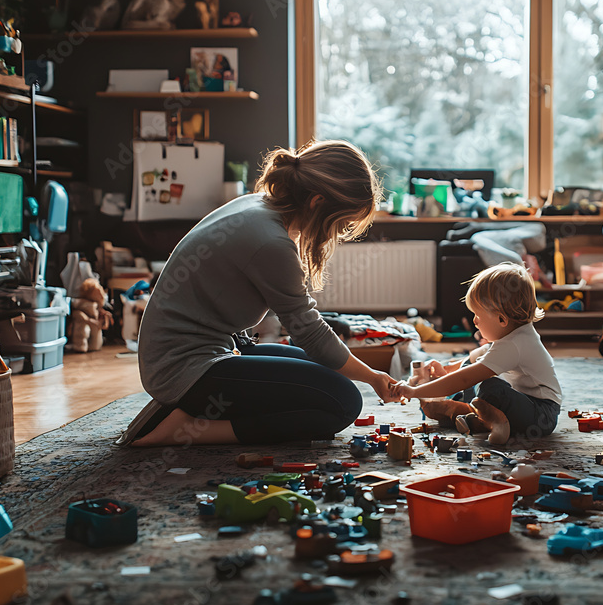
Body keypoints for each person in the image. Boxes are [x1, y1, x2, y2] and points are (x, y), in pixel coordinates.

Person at [116, 140, 394, 447]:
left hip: (210, 352)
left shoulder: (261, 205)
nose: (337, 234)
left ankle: (196, 415)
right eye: (341, 224)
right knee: (342, 402)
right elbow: (310, 334)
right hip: (186, 371)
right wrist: (374, 376)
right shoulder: (270, 240)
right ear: (316, 203)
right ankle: (185, 428)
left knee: (332, 377)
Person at [391, 262, 562, 445]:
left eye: (478, 315)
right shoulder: (514, 334)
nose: (474, 321)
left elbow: (466, 379)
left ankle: (493, 422)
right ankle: (477, 415)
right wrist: (447, 369)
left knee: (488, 385)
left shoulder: (514, 344)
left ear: (502, 319)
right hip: (524, 405)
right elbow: (473, 359)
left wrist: (415, 391)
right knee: (472, 370)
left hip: (541, 415)